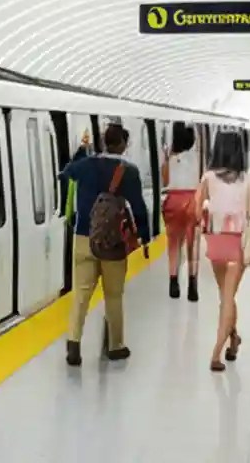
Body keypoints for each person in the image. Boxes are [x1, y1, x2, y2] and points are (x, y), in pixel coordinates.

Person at [59, 123, 151, 366]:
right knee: (113, 295)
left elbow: (66, 172)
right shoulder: (128, 172)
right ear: (122, 144)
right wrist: (145, 235)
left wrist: (82, 150)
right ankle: (115, 346)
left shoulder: (85, 166)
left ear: (103, 142)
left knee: (81, 294)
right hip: (112, 243)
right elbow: (139, 207)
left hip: (83, 237)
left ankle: (73, 345)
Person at [195, 131, 250, 372]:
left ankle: (232, 339)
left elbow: (196, 212)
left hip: (217, 244)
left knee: (225, 296)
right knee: (228, 297)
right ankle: (217, 352)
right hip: (239, 245)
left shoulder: (207, 179)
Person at [162, 122, 201, 302]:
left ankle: (173, 282)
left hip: (172, 200)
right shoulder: (197, 157)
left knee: (173, 244)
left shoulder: (168, 158)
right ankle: (192, 284)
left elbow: (164, 181)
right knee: (193, 244)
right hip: (192, 199)